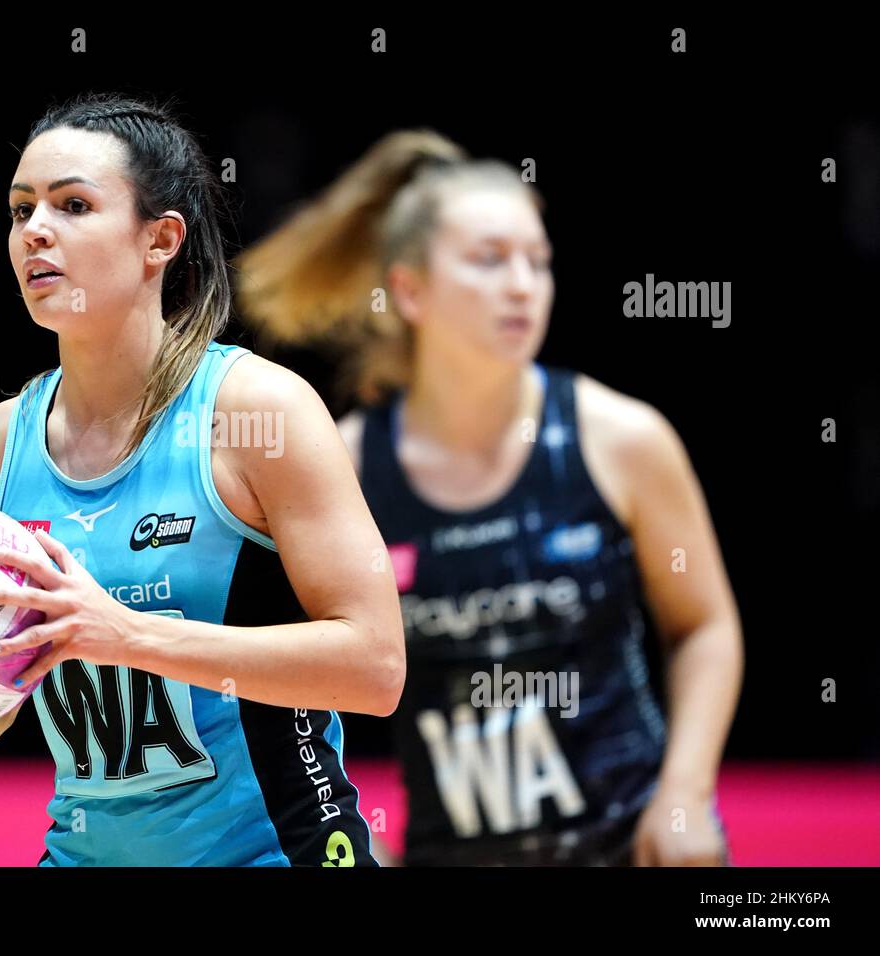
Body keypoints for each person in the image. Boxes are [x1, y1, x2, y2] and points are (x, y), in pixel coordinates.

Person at [0, 95, 404, 867]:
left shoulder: (253, 412)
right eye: (19, 209)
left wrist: (126, 635)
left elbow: (375, 669)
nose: (34, 230)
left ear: (159, 240)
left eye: (73, 204)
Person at [235, 130, 743, 866]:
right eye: (489, 260)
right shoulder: (342, 464)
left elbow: (706, 628)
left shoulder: (622, 440)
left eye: (538, 262)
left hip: (625, 847)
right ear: (408, 289)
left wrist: (686, 796)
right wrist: (331, 819)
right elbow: (277, 673)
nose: (522, 286)